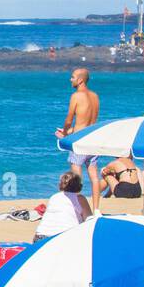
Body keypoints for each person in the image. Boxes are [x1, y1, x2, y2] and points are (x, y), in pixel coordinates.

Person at [55, 67, 101, 211]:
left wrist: (65, 134)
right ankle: (96, 209)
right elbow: (87, 121)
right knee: (94, 177)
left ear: (80, 80)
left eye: (73, 77)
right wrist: (69, 130)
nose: (71, 79)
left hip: (80, 141)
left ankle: (77, 210)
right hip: (93, 139)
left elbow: (69, 119)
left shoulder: (76, 96)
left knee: (76, 178)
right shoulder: (95, 96)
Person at [36, 171, 92, 240]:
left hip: (39, 237)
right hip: (63, 238)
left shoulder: (54, 197)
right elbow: (89, 220)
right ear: (79, 186)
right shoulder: (80, 199)